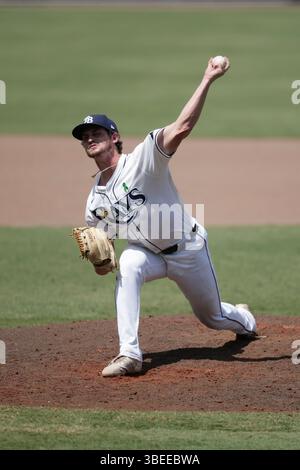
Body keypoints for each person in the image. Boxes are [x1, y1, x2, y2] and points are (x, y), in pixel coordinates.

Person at [72, 57, 259, 378]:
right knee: (129, 265)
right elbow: (107, 268)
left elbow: (182, 127)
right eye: (84, 135)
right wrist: (100, 261)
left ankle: (246, 319)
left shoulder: (144, 159)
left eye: (96, 132)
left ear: (115, 137)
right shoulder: (94, 203)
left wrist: (208, 78)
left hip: (187, 249)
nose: (89, 138)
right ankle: (129, 353)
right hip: (149, 255)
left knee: (213, 317)